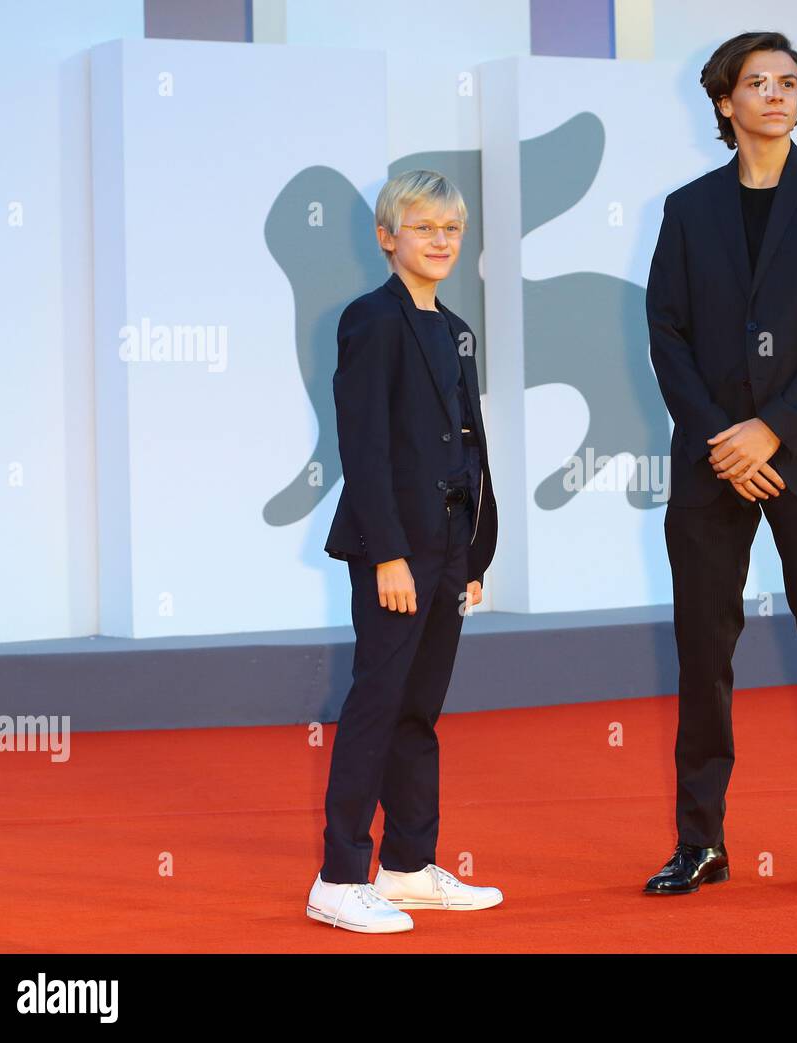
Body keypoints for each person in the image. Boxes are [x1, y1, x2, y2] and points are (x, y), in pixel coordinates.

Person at [643, 32, 797, 896]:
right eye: (757, 83)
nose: (776, 95)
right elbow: (665, 333)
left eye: (788, 82)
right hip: (712, 463)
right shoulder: (688, 207)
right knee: (703, 656)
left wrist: (771, 429)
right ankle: (700, 841)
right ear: (723, 103)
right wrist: (724, 439)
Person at [307, 170, 502, 933]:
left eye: (452, 229)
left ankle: (409, 864)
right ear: (387, 238)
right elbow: (365, 446)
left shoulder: (456, 327)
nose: (442, 241)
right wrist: (388, 553)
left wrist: (476, 553)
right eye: (424, 228)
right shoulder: (370, 320)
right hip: (397, 548)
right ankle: (338, 875)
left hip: (452, 544)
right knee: (378, 703)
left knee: (421, 709)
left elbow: (469, 442)